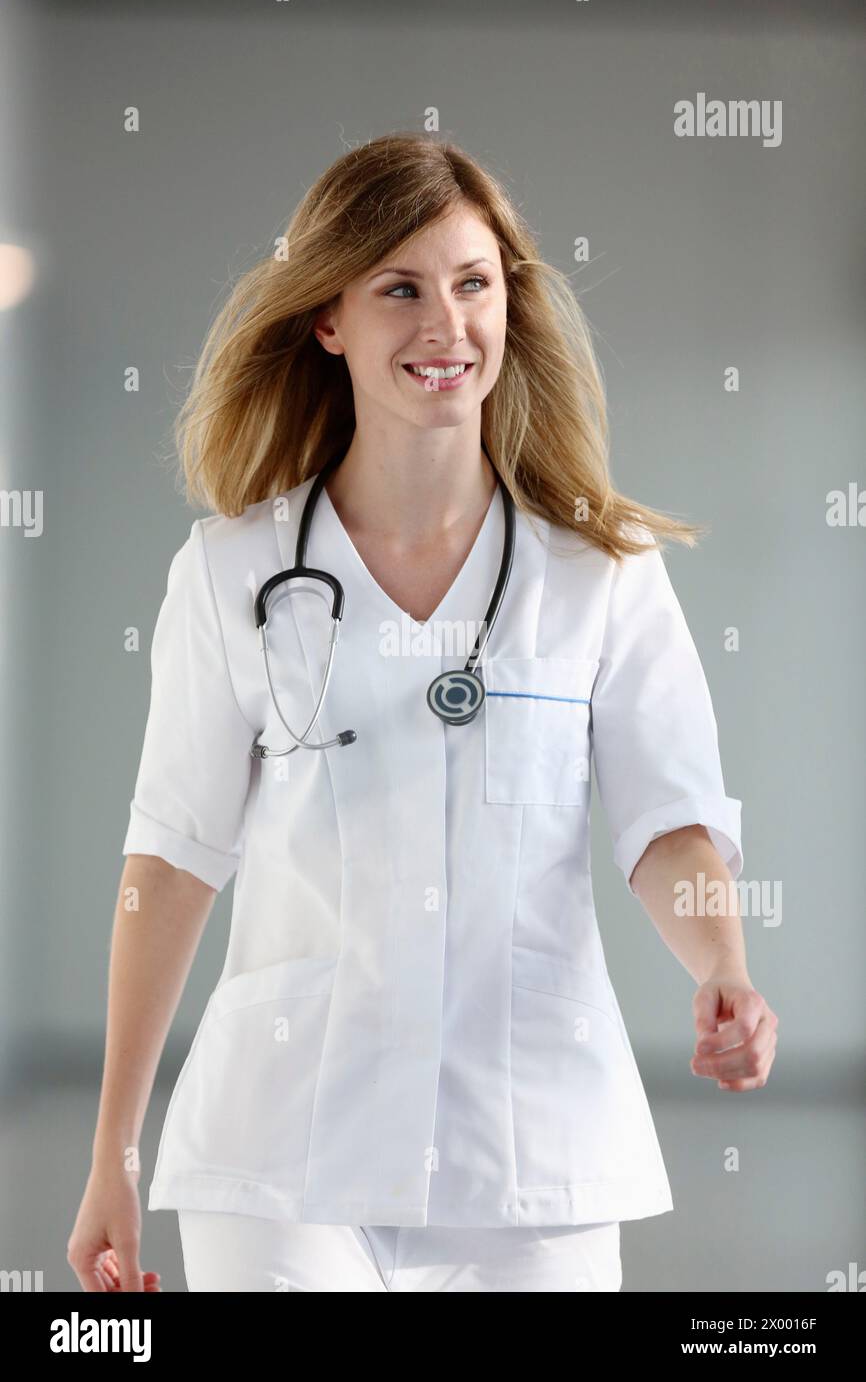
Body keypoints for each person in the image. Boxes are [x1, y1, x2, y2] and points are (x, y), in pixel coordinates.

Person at [67, 132, 778, 1294]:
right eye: (398, 288)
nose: (445, 326)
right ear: (328, 319)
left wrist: (722, 966)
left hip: (529, 1152)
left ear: (508, 305)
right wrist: (114, 1150)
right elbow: (172, 861)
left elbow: (668, 820)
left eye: (472, 284)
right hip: (281, 1154)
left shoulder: (602, 570)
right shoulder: (230, 572)